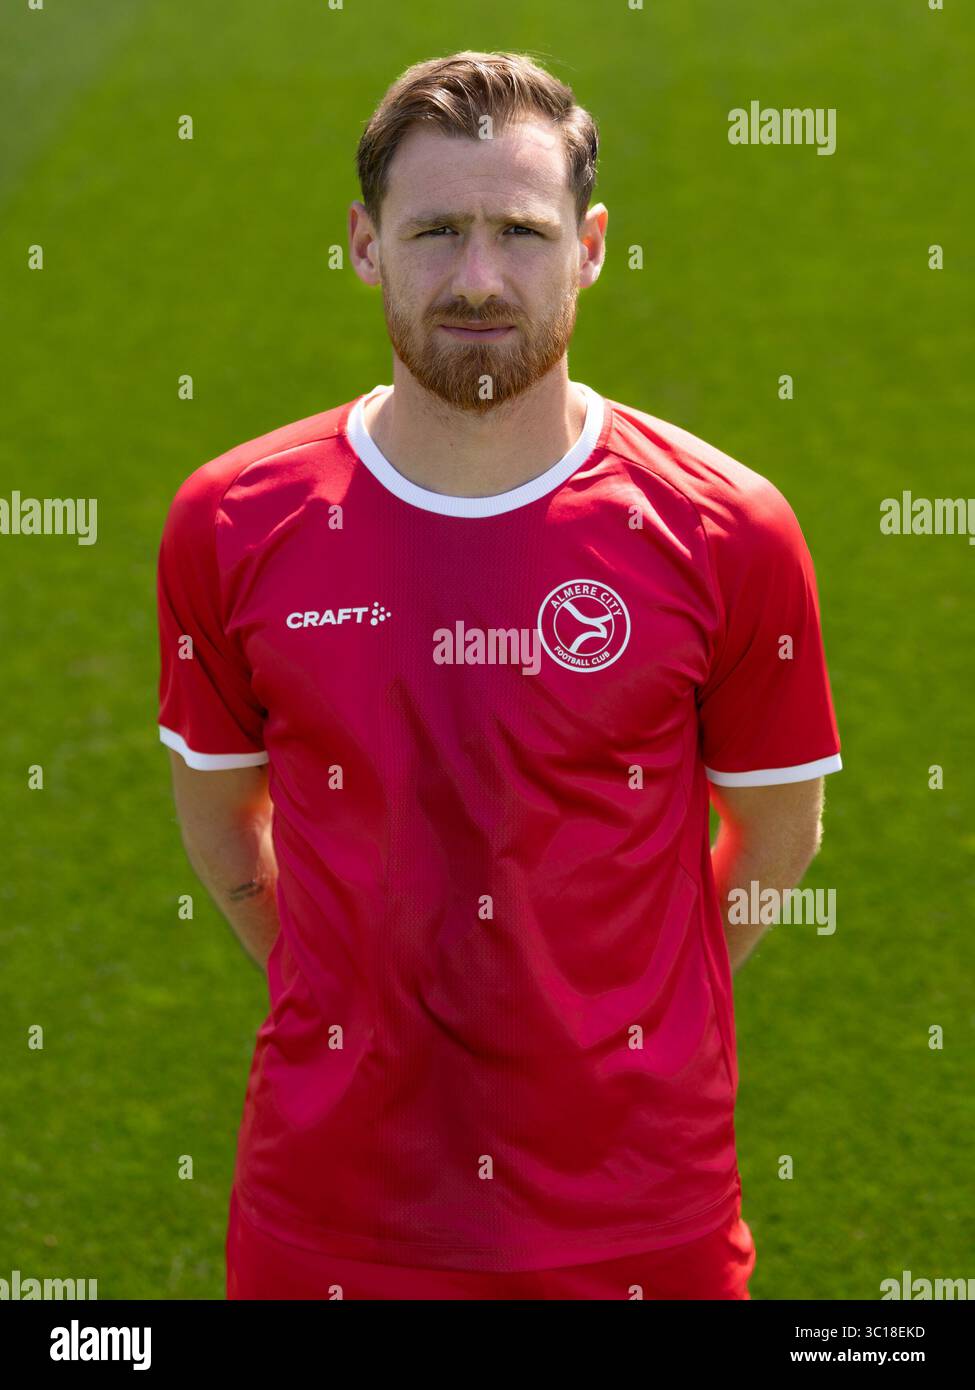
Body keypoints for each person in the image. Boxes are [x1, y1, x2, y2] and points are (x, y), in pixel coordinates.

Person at [156, 51, 841, 1300]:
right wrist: (344, 981)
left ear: (588, 246)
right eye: (436, 232)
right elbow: (220, 817)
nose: (477, 279)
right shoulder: (233, 519)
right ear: (365, 245)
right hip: (331, 1209)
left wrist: (611, 1005)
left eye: (519, 233)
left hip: (644, 1209)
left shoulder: (728, 528)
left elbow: (779, 833)